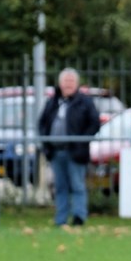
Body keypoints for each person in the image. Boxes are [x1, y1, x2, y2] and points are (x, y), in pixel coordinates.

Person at [38, 68, 101, 226]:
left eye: (71, 81)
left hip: (76, 152)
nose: (68, 84)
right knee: (60, 186)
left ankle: (79, 217)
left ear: (77, 84)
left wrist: (81, 141)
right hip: (56, 151)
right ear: (60, 84)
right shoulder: (52, 101)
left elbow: (94, 122)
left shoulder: (84, 101)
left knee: (77, 185)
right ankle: (61, 219)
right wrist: (46, 144)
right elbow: (43, 123)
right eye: (66, 81)